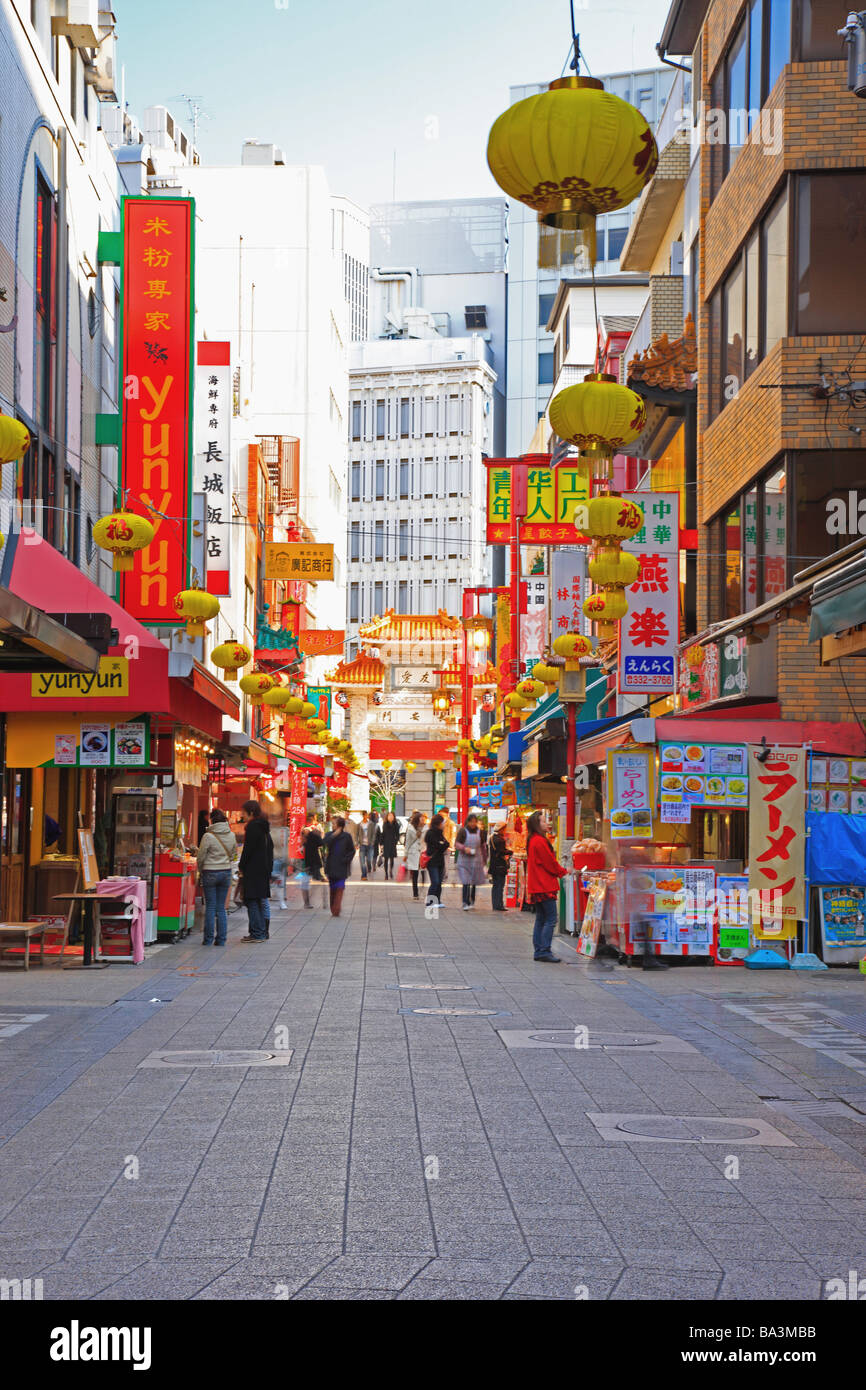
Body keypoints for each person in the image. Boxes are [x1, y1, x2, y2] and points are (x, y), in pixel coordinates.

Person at [526, 810, 572, 962]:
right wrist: (563, 871)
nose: (547, 823)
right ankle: (544, 950)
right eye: (544, 821)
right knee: (551, 918)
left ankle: (539, 949)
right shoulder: (539, 841)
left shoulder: (533, 840)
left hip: (538, 884)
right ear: (537, 824)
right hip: (543, 884)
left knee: (541, 918)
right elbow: (550, 863)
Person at [196, 808, 238, 945]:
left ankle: (208, 939)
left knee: (210, 906)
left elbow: (201, 856)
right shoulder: (231, 835)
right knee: (221, 907)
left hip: (210, 872)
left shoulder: (208, 836)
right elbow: (233, 854)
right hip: (225, 872)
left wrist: (200, 869)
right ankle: (221, 940)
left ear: (212, 820)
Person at [238, 800, 273, 942]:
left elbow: (248, 850)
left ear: (251, 813)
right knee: (258, 901)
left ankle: (257, 933)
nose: (242, 815)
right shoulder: (264, 828)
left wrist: (241, 865)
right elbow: (270, 850)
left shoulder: (253, 827)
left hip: (253, 871)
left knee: (252, 900)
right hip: (263, 870)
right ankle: (260, 932)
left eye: (244, 812)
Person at [322, 816, 355, 917]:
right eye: (332, 824)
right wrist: (334, 836)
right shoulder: (329, 835)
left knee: (340, 888)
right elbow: (324, 843)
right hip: (331, 865)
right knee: (333, 889)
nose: (332, 825)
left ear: (340, 826)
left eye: (334, 824)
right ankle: (333, 908)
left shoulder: (347, 836)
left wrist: (345, 860)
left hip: (342, 866)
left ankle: (337, 909)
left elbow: (352, 850)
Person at [455, 813, 488, 910]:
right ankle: (465, 902)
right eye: (471, 821)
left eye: (475, 822)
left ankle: (472, 900)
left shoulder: (480, 832)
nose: (473, 824)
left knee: (474, 881)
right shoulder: (463, 831)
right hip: (464, 860)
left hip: (476, 860)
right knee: (466, 881)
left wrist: (485, 859)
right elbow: (456, 844)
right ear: (468, 822)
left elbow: (483, 846)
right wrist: (464, 848)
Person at [423, 813, 449, 906]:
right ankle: (429, 901)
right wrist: (442, 845)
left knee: (439, 883)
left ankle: (437, 901)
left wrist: (442, 845)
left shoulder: (440, 833)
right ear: (438, 823)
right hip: (432, 861)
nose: (443, 825)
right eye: (442, 823)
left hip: (440, 861)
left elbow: (446, 844)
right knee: (435, 882)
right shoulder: (430, 833)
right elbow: (438, 845)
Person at [488, 824, 512, 913]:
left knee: (495, 886)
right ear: (501, 829)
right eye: (504, 829)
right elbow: (502, 852)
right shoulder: (500, 840)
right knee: (500, 886)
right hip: (500, 866)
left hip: (493, 865)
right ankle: (499, 905)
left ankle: (495, 904)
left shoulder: (492, 837)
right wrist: (510, 852)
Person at [404, 812, 425, 899]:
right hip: (414, 853)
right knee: (415, 874)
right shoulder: (410, 829)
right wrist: (406, 854)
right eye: (421, 818)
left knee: (423, 872)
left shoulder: (424, 827)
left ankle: (421, 887)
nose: (423, 819)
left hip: (422, 852)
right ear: (417, 819)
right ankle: (415, 893)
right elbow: (408, 842)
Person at [378, 810, 400, 880]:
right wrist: (381, 843)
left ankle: (391, 870)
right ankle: (386, 874)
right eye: (389, 816)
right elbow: (383, 834)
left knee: (392, 859)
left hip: (393, 843)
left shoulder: (396, 824)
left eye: (392, 816)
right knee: (386, 859)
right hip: (386, 843)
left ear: (394, 817)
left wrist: (396, 841)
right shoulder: (385, 824)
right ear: (387, 817)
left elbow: (397, 834)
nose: (390, 817)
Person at [355, 810, 375, 880]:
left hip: (369, 845)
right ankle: (364, 875)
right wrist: (356, 843)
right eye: (363, 815)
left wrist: (372, 842)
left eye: (366, 815)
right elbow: (356, 834)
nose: (365, 816)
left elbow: (373, 834)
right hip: (362, 845)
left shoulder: (371, 824)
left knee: (369, 860)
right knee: (362, 862)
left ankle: (369, 867)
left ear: (367, 815)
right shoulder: (359, 825)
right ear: (362, 816)